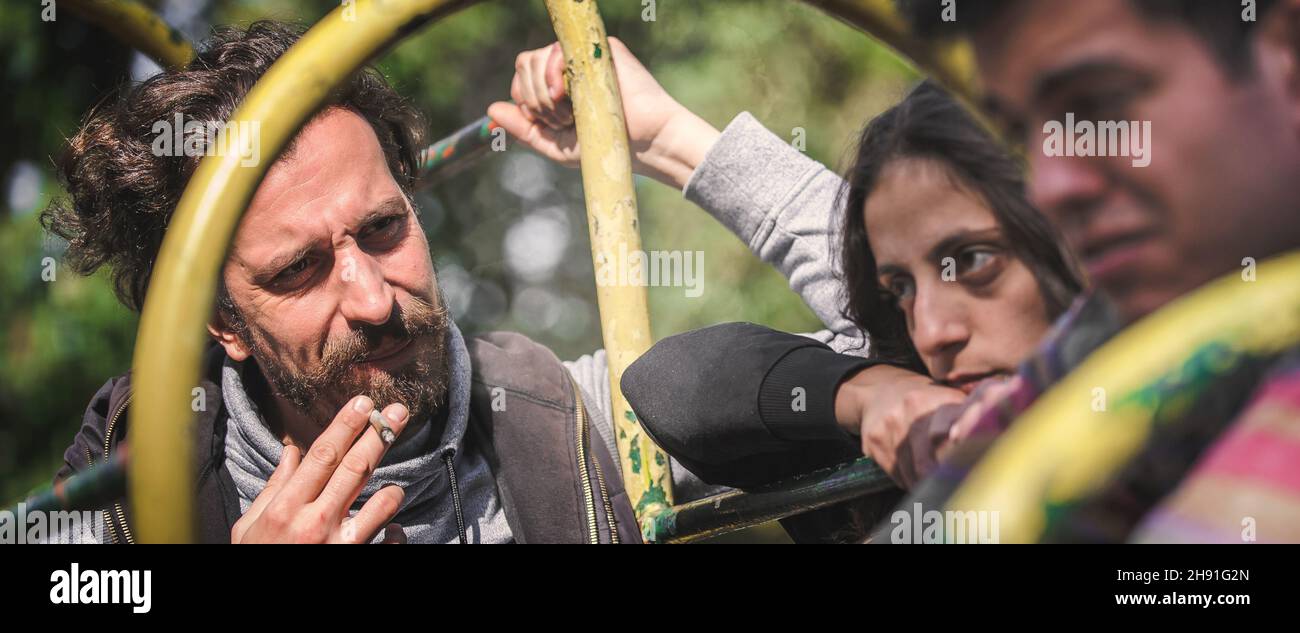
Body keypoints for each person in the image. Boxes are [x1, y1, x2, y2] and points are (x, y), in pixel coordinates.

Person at [45, 21, 916, 544]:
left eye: (384, 229)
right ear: (222, 323)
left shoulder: (574, 430)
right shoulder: (134, 486)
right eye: (299, 270)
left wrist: (670, 141)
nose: (374, 299)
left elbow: (907, 345)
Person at [879, 0, 1300, 542]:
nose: (1049, 188)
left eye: (1097, 108)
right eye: (1022, 134)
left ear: (1289, 53)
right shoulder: (1113, 327)